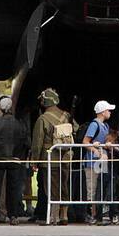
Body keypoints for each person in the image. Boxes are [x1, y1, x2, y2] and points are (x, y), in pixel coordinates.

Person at [30, 87, 75, 225]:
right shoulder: (66, 116)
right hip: (66, 157)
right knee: (64, 186)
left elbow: (37, 143)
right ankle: (64, 216)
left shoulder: (42, 119)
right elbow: (76, 129)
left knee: (51, 188)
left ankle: (53, 217)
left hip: (49, 159)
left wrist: (34, 161)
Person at [0, 95, 28, 224]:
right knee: (14, 187)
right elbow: (26, 143)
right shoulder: (20, 124)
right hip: (15, 159)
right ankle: (13, 215)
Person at [82, 100, 115, 224]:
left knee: (101, 188)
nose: (110, 112)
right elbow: (86, 142)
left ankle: (98, 214)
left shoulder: (105, 126)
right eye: (108, 110)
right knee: (93, 188)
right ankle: (93, 214)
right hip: (93, 162)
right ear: (102, 112)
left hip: (102, 161)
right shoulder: (94, 125)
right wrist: (97, 152)